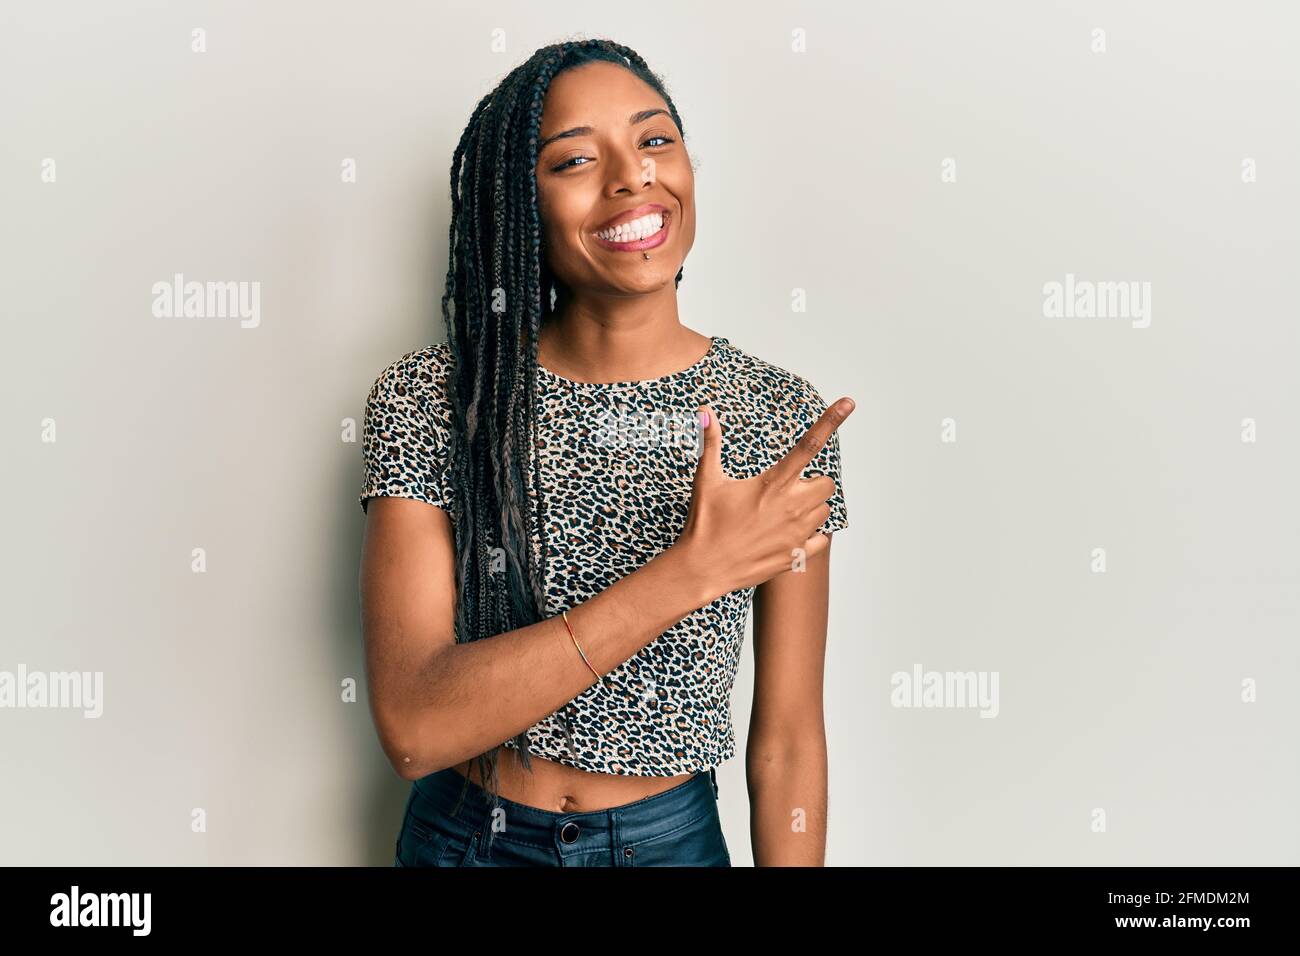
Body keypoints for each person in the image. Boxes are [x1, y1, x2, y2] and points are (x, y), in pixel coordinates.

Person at [358, 37, 855, 867]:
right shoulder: (433, 401)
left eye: (654, 139)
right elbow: (415, 731)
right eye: (576, 159)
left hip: (670, 843)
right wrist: (693, 571)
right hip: (468, 840)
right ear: (520, 203)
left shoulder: (776, 416)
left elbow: (790, 739)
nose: (632, 177)